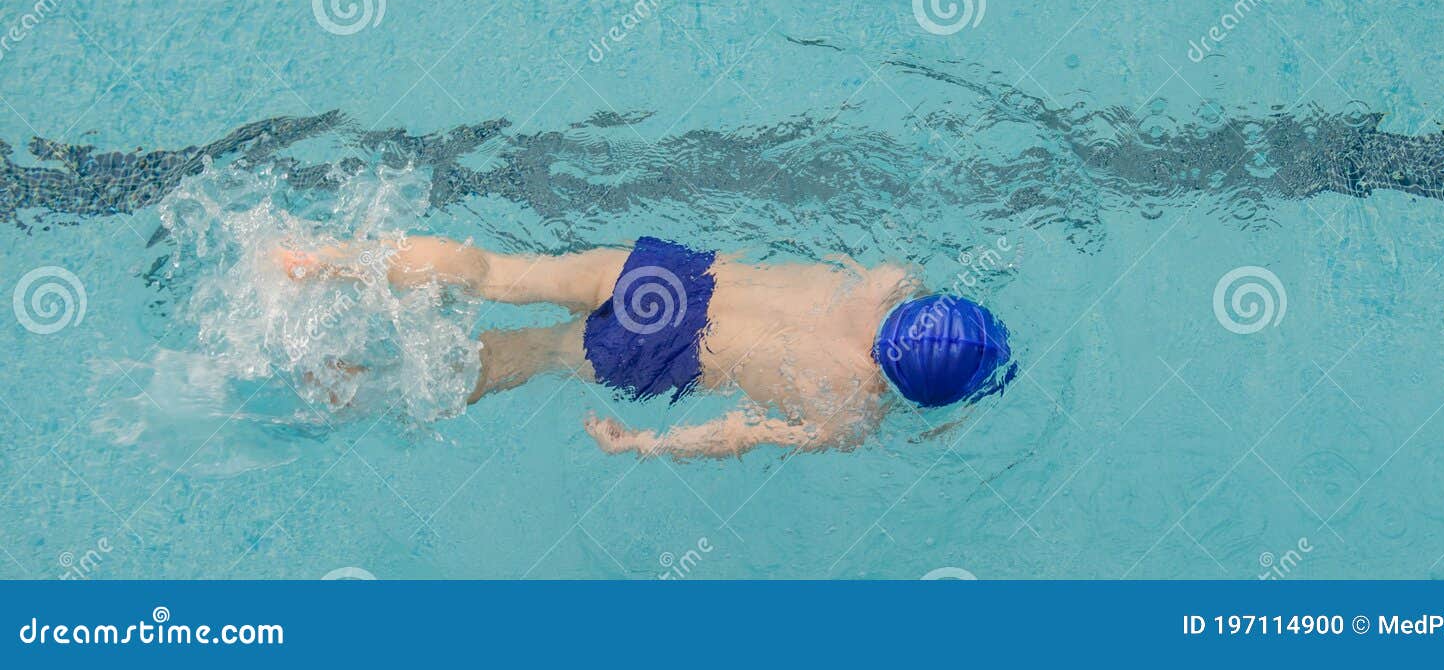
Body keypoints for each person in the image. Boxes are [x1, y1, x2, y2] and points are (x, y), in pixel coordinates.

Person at [277, 235, 1013, 460]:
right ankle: (354, 386)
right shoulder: (851, 409)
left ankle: (326, 257)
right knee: (520, 357)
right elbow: (740, 434)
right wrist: (642, 445)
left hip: (669, 280)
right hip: (666, 355)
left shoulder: (886, 284)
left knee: (500, 274)